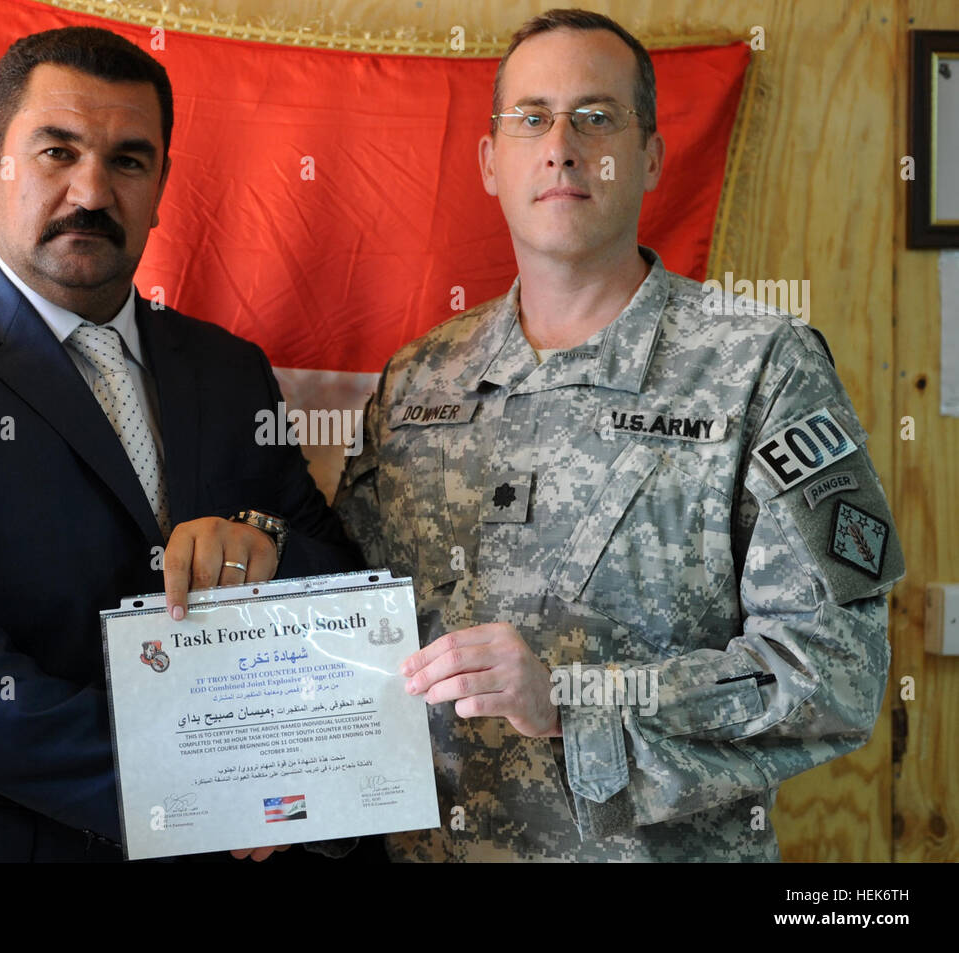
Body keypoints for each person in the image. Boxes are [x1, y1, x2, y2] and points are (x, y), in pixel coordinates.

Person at [333, 8, 904, 861]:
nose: (561, 144)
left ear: (651, 158)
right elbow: (356, 620)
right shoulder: (419, 379)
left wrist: (573, 700)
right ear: (492, 162)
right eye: (532, 117)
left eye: (596, 117)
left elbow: (837, 669)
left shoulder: (762, 369)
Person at [0, 26, 359, 862]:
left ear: (163, 185)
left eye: (129, 161)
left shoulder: (229, 370)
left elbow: (339, 580)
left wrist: (267, 549)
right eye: (57, 151)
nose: (91, 191)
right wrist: (196, 788)